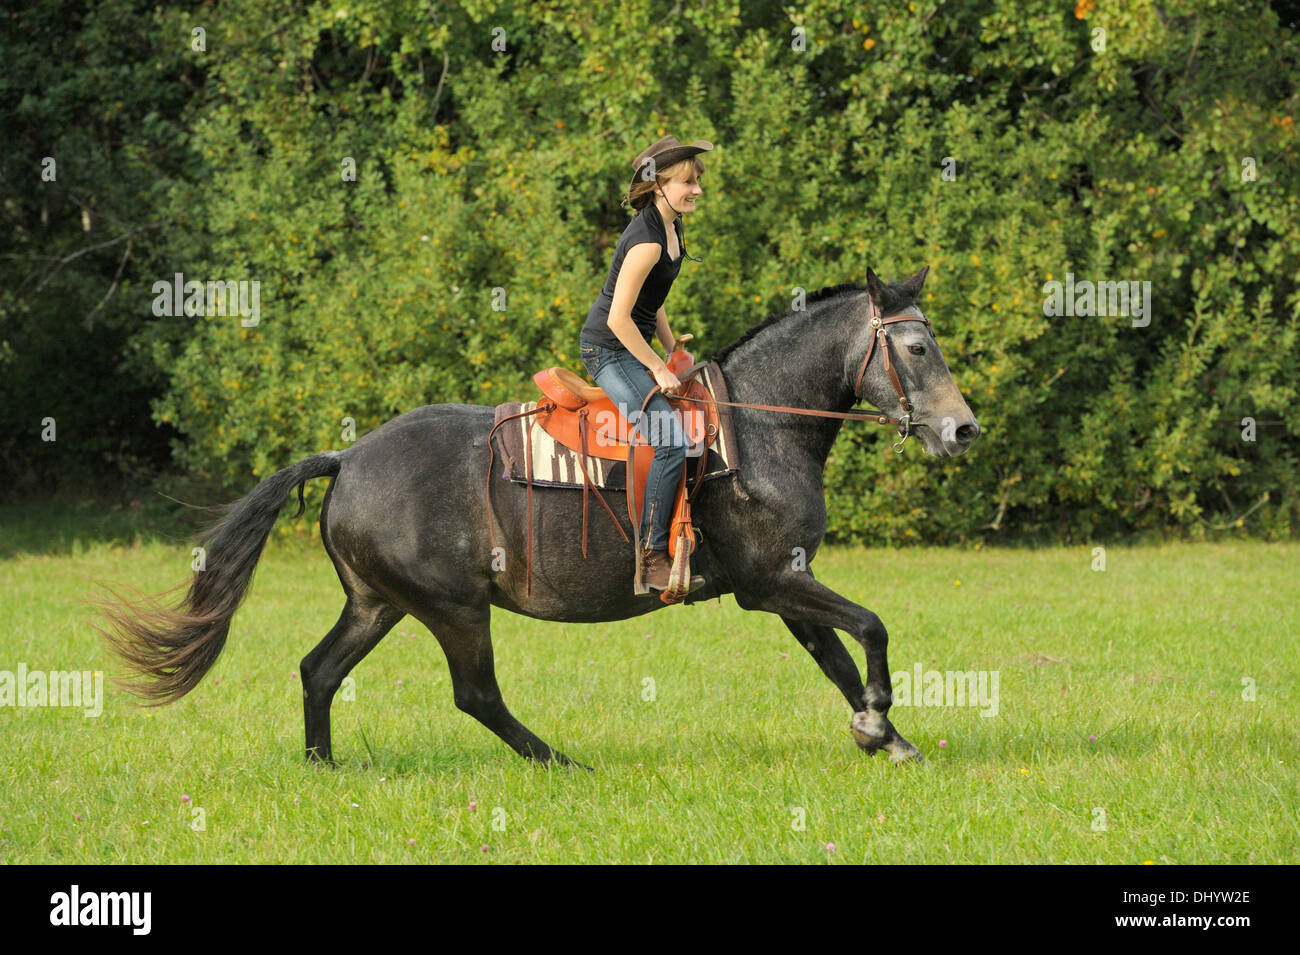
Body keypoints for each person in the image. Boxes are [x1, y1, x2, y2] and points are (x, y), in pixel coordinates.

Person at [579, 136, 711, 594]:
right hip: (607, 350)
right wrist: (658, 366)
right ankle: (652, 557)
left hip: (632, 343)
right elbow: (618, 318)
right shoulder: (647, 241)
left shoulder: (671, 228)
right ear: (659, 187)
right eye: (686, 183)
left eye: (697, 182)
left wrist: (673, 345)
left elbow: (650, 302)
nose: (696, 191)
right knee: (671, 442)